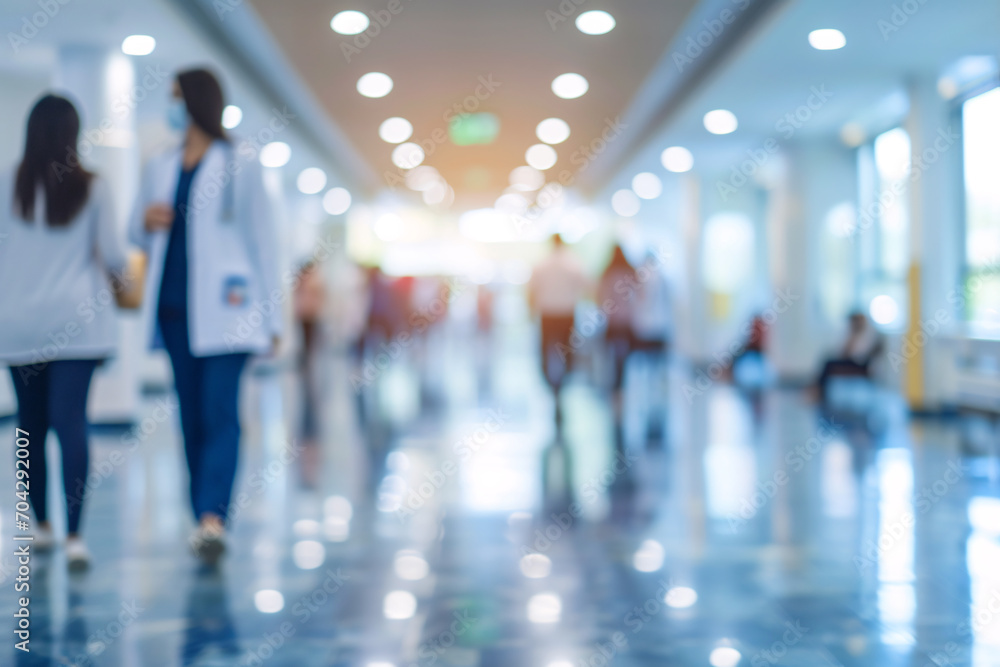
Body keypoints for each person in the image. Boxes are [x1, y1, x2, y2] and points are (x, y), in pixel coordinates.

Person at [128, 69, 282, 564]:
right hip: (175, 309)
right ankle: (202, 515)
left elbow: (265, 245)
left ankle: (213, 517)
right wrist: (144, 220)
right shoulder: (160, 164)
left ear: (196, 101)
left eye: (175, 97)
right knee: (190, 415)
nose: (170, 106)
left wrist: (273, 320)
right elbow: (135, 229)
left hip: (229, 312)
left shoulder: (241, 162)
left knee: (220, 412)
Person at [0, 95, 129, 570]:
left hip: (18, 324)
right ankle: (76, 535)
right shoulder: (94, 186)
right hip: (77, 325)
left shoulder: (6, 182)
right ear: (74, 134)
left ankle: (41, 526)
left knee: (29, 427)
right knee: (71, 423)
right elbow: (116, 256)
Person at [528, 234, 591, 392]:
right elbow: (586, 286)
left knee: (546, 347)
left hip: (547, 313)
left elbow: (531, 290)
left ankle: (548, 381)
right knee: (567, 347)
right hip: (566, 313)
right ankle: (565, 379)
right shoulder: (572, 263)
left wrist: (530, 311)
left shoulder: (541, 264)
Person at [598, 245, 638, 437]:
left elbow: (602, 298)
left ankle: (615, 387)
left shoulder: (608, 274)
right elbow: (637, 299)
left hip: (613, 323)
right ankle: (621, 387)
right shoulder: (631, 274)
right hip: (627, 322)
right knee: (625, 356)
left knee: (612, 355)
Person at [815, 311, 884, 401]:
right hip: (850, 361)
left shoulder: (869, 335)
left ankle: (818, 391)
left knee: (829, 364)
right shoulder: (849, 334)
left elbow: (860, 355)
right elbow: (842, 352)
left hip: (862, 364)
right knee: (827, 361)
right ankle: (819, 391)